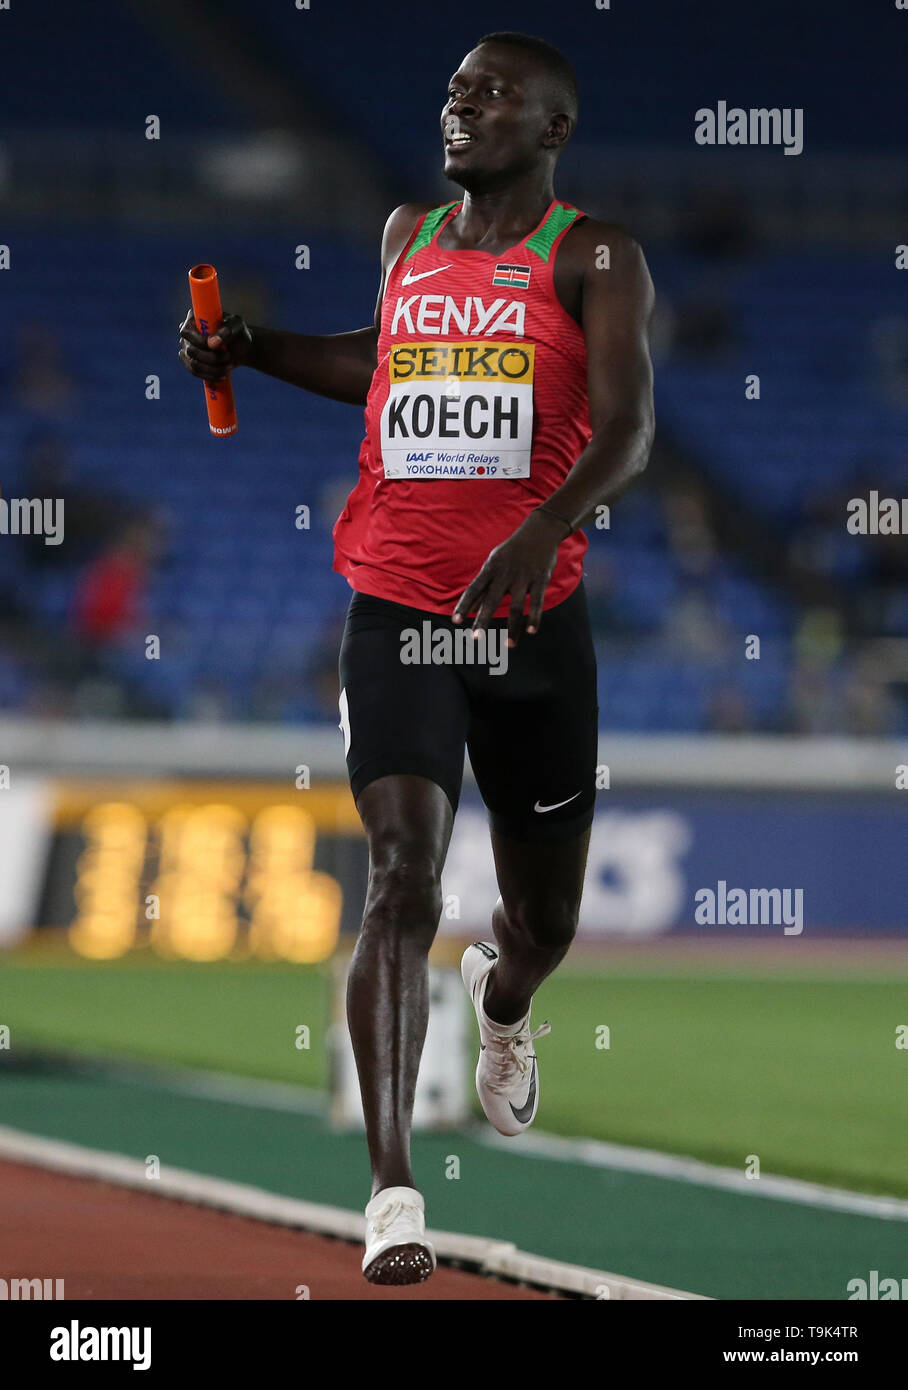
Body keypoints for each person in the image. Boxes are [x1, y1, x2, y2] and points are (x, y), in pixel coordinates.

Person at [179, 30, 654, 1286]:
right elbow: (379, 363)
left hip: (531, 619)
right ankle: (392, 1191)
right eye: (450, 90)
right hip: (396, 608)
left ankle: (504, 1004)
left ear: (551, 128)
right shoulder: (406, 235)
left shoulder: (593, 254)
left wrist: (544, 526)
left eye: (489, 93)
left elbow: (631, 428)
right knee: (398, 877)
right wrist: (258, 351)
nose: (459, 108)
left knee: (541, 919)